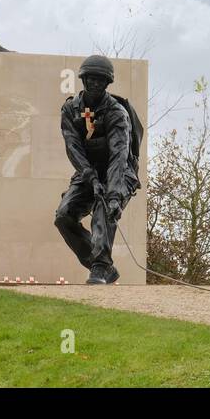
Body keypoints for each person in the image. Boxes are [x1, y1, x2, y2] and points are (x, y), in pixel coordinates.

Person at [53, 54, 143, 284]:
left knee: (104, 208)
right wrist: (90, 177)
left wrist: (113, 194)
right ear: (83, 80)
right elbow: (73, 148)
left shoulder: (116, 113)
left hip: (119, 172)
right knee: (64, 216)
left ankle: (101, 266)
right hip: (87, 171)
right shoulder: (70, 110)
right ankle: (98, 262)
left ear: (106, 83)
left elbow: (119, 155)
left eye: (99, 80)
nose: (94, 83)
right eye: (90, 79)